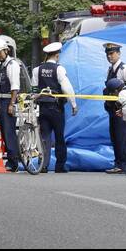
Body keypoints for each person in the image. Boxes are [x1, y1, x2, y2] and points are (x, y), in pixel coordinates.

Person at [32, 41, 77, 174]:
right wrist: (73, 104)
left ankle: (43, 165)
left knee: (44, 137)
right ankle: (60, 165)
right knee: (59, 137)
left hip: (43, 107)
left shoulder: (37, 69)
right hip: (56, 108)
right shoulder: (59, 69)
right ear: (57, 56)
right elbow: (67, 88)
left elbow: (34, 90)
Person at [103, 42, 126, 173]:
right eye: (107, 54)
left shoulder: (124, 69)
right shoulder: (110, 69)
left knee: (122, 136)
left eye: (112, 53)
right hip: (112, 109)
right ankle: (119, 163)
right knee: (115, 136)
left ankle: (125, 164)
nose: (109, 56)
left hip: (122, 109)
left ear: (119, 53)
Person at [0, 37, 23, 173]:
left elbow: (15, 86)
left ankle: (13, 161)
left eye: (0, 52)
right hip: (1, 102)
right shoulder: (3, 65)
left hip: (7, 102)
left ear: (6, 50)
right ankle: (11, 159)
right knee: (5, 132)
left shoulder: (12, 65)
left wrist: (11, 103)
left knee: (9, 131)